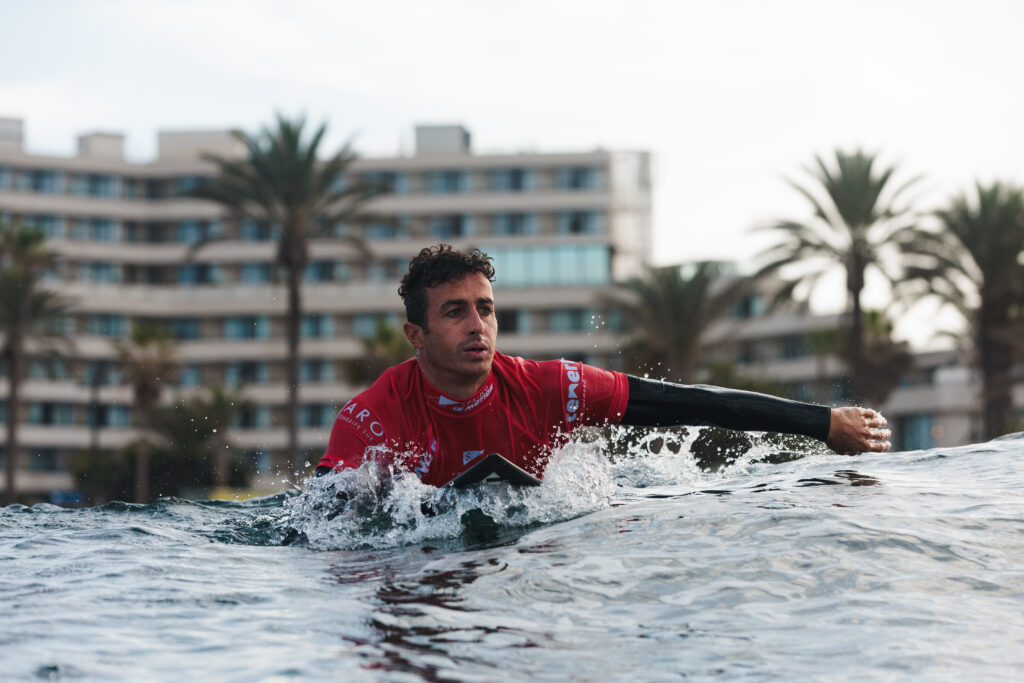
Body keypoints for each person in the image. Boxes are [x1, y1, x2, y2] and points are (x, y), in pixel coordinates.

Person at [315, 244, 891, 486]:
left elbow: (688, 402)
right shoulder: (372, 419)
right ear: (415, 335)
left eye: (485, 308)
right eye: (455, 311)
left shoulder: (550, 387)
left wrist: (823, 422)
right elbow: (319, 525)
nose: (477, 325)